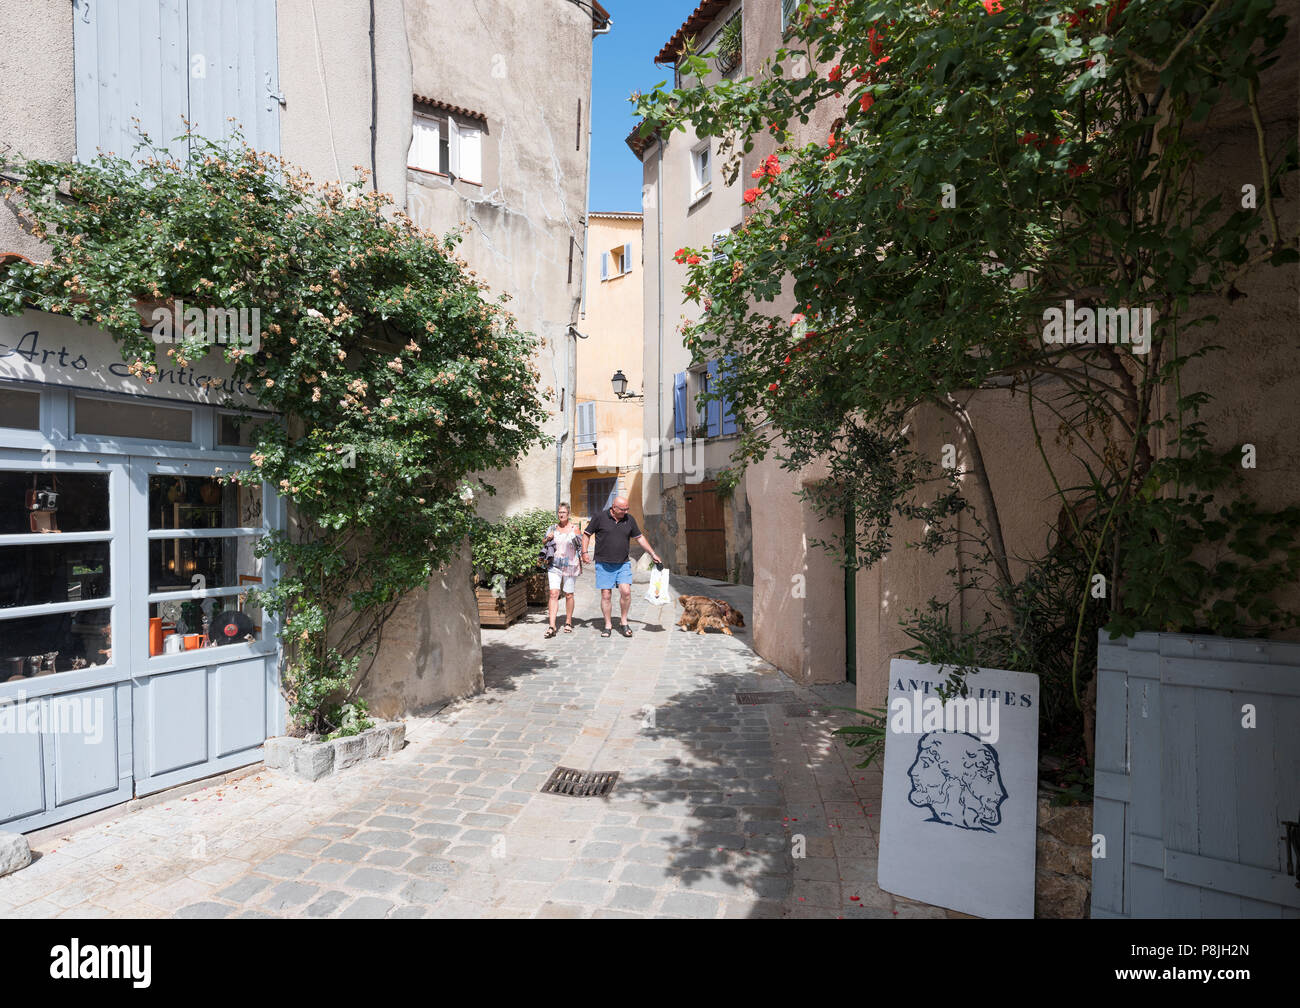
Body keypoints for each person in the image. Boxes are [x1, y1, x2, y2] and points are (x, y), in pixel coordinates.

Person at [582, 496, 661, 638]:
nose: (625, 511)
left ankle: (623, 621)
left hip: (623, 563)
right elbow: (587, 534)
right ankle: (608, 624)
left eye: (627, 509)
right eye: (623, 509)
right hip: (604, 563)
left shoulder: (629, 519)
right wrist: (584, 552)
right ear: (614, 507)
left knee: (626, 592)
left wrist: (652, 553)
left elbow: (640, 538)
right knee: (606, 595)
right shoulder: (599, 517)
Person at [543, 502, 582, 639]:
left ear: (568, 514)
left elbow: (580, 546)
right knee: (554, 593)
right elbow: (544, 542)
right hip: (554, 565)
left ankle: (568, 621)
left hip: (571, 565)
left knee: (569, 594)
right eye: (559, 512)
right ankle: (552, 625)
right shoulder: (552, 528)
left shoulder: (574, 528)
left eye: (564, 512)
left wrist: (576, 539)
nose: (561, 514)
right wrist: (548, 538)